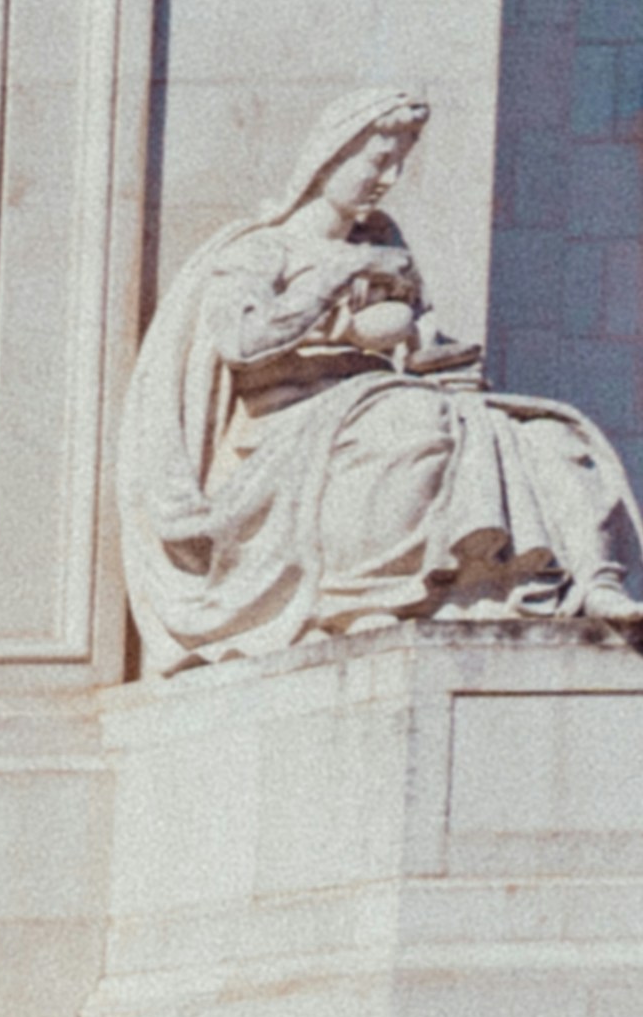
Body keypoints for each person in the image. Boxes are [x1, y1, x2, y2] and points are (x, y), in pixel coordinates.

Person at [118, 87, 643, 667]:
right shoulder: (262, 249)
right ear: (332, 157)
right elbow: (241, 341)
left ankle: (593, 581)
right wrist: (333, 279)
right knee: (412, 427)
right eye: (377, 161)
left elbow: (421, 345)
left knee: (544, 432)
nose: (389, 177)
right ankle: (368, 594)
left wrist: (444, 358)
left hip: (383, 394)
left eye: (400, 161)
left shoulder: (385, 242)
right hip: (291, 417)